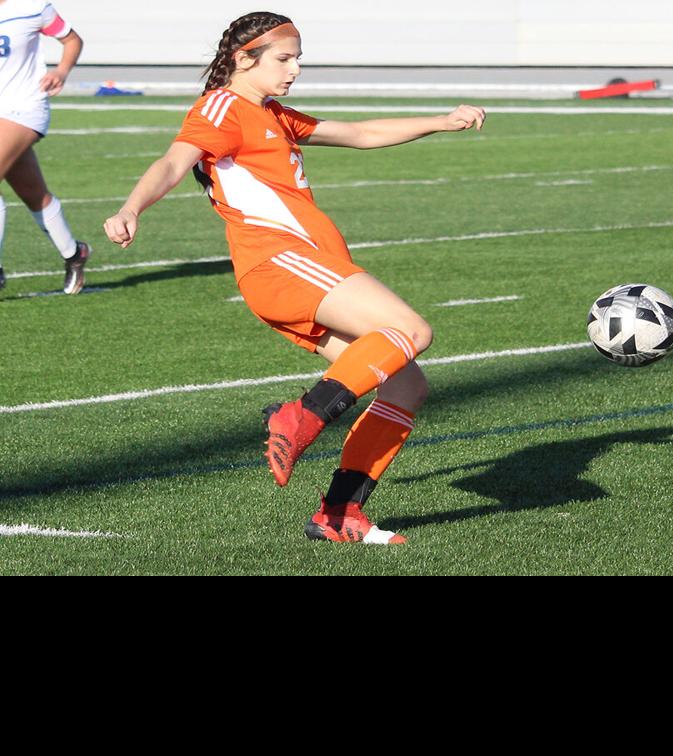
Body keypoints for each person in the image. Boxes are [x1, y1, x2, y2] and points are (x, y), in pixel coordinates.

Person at [102, 12, 485, 545]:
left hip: (302, 267)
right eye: (284, 58)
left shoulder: (274, 114)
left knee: (407, 382)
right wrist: (132, 207)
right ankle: (299, 416)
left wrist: (440, 121)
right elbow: (174, 161)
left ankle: (338, 515)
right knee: (412, 330)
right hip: (280, 262)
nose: (296, 68)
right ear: (243, 59)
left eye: (298, 57)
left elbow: (359, 132)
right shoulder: (222, 107)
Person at [0, 1, 88, 294]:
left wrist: (61, 72)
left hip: (24, 108)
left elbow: (72, 39)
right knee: (33, 193)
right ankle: (74, 254)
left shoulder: (32, 8)